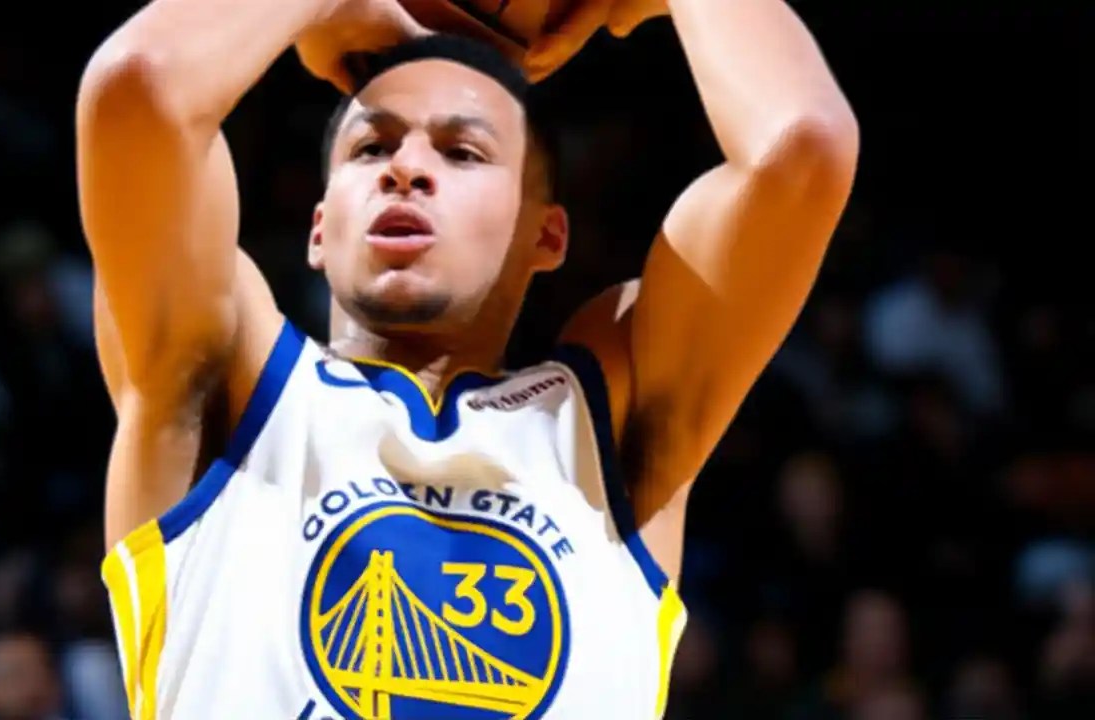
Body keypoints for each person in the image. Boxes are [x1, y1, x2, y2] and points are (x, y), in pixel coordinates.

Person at [75, 0, 857, 717]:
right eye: (372, 145)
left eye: (462, 151)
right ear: (319, 227)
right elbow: (140, 88)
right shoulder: (225, 379)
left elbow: (803, 149)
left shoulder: (608, 419)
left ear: (545, 233)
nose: (405, 168)